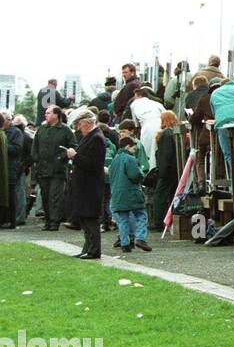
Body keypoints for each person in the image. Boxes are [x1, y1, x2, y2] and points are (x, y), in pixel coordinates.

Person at [67, 112, 107, 259]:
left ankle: (94, 250)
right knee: (84, 218)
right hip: (84, 184)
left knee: (90, 218)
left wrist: (75, 156)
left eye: (80, 124)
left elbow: (94, 164)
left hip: (90, 185)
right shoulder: (90, 137)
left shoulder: (96, 138)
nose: (78, 127)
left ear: (89, 123)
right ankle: (87, 248)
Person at [32, 106, 76, 231]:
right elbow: (35, 146)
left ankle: (54, 221)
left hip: (58, 170)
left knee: (55, 196)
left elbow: (72, 146)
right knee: (45, 196)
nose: (45, 115)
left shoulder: (65, 130)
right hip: (43, 169)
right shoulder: (41, 129)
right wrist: (35, 158)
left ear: (56, 115)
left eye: (48, 113)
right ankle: (47, 220)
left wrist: (61, 157)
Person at [108, 135, 150, 253]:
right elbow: (135, 176)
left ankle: (124, 243)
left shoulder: (115, 160)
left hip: (117, 195)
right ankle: (140, 238)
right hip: (132, 194)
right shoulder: (130, 159)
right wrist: (141, 173)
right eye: (133, 148)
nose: (134, 151)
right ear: (127, 146)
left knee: (123, 219)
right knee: (141, 215)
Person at [151, 111, 181, 230]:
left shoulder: (165, 134)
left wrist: (161, 171)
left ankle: (158, 222)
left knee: (159, 196)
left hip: (166, 171)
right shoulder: (175, 132)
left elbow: (165, 154)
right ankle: (171, 220)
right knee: (173, 195)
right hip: (176, 171)